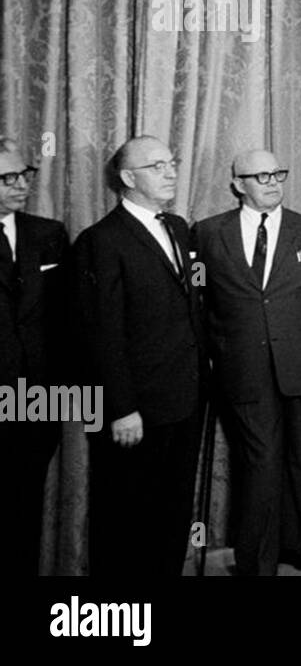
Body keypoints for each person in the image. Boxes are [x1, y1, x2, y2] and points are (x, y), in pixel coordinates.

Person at [192, 149, 301, 575]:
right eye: (260, 176)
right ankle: (255, 563)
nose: (273, 182)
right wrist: (205, 359)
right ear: (238, 185)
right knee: (260, 462)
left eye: (278, 173)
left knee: (298, 457)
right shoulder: (206, 233)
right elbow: (196, 302)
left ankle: (291, 545)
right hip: (241, 368)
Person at [74, 136, 204, 576]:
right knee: (125, 518)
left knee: (172, 513)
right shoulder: (100, 241)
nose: (171, 172)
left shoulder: (179, 227)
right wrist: (122, 407)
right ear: (128, 179)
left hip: (185, 400)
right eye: (157, 166)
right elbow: (100, 334)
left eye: (172, 162)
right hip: (136, 411)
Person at [0, 138, 70, 575]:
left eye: (25, 175)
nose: (21, 184)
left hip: (39, 400)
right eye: (8, 178)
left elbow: (66, 319)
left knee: (26, 502)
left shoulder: (49, 234)